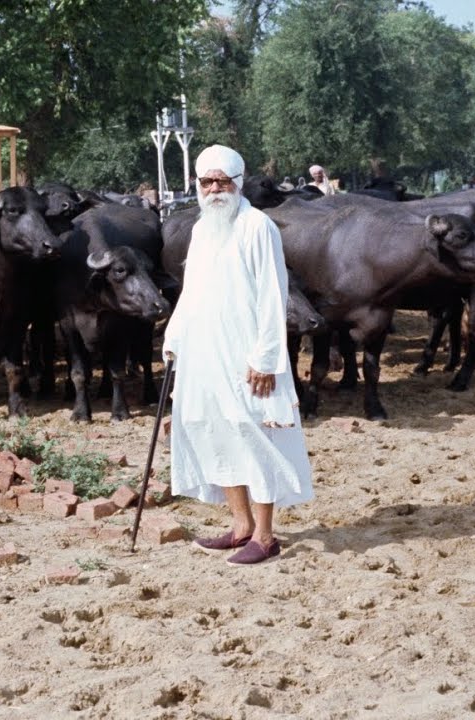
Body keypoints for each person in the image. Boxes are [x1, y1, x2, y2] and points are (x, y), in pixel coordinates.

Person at [161, 145, 314, 566]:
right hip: (204, 352)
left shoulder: (257, 226)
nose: (214, 189)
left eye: (221, 181)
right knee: (217, 433)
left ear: (238, 182)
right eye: (206, 182)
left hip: (247, 354)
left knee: (257, 436)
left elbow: (272, 295)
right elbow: (191, 292)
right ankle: (240, 526)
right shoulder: (200, 229)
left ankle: (265, 536)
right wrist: (174, 336)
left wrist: (266, 358)